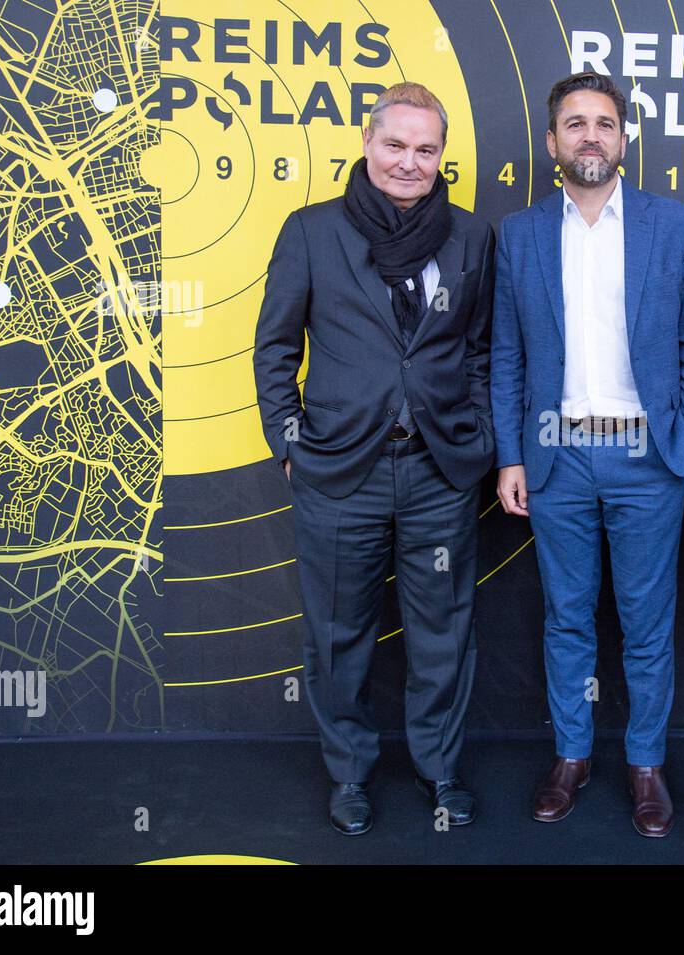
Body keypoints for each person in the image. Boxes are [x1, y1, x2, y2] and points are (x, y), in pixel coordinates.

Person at [253, 82, 496, 836]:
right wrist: (292, 445)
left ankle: (440, 768)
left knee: (442, 630)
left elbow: (483, 349)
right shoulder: (310, 232)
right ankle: (350, 772)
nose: (409, 162)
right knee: (336, 632)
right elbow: (274, 350)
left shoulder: (470, 238)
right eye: (396, 144)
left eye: (426, 149)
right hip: (338, 475)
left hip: (438, 475)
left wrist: (477, 434)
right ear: (367, 142)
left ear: (440, 155)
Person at [491, 71, 684, 837]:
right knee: (566, 617)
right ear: (552, 141)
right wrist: (511, 454)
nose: (592, 135)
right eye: (575, 123)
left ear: (625, 138)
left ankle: (646, 763)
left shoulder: (673, 225)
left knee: (648, 620)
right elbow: (507, 354)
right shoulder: (519, 234)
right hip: (556, 458)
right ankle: (573, 755)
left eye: (606, 123)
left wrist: (680, 438)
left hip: (647, 459)